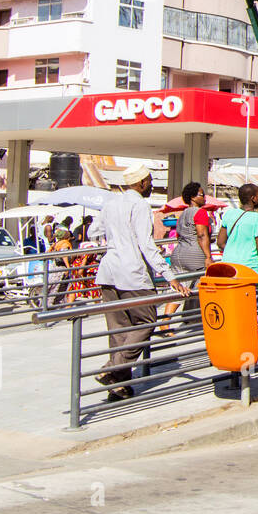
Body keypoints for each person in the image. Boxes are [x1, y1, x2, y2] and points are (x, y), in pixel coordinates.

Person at [92, 165, 190, 401]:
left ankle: (118, 386)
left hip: (108, 272)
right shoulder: (140, 205)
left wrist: (114, 242)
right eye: (150, 181)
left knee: (119, 331)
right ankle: (112, 368)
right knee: (147, 320)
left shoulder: (111, 203)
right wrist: (169, 276)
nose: (152, 186)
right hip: (132, 272)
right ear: (143, 183)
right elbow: (146, 245)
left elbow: (93, 232)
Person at [162, 181, 214, 337]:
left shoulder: (183, 214)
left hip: (179, 254)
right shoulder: (201, 213)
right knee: (207, 285)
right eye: (201, 194)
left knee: (179, 287)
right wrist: (208, 256)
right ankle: (210, 320)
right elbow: (202, 235)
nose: (204, 197)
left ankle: (165, 323)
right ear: (192, 197)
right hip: (195, 254)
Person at [218, 183, 258, 276]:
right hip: (249, 270)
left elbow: (220, 243)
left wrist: (235, 254)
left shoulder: (230, 214)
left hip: (228, 267)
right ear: (253, 198)